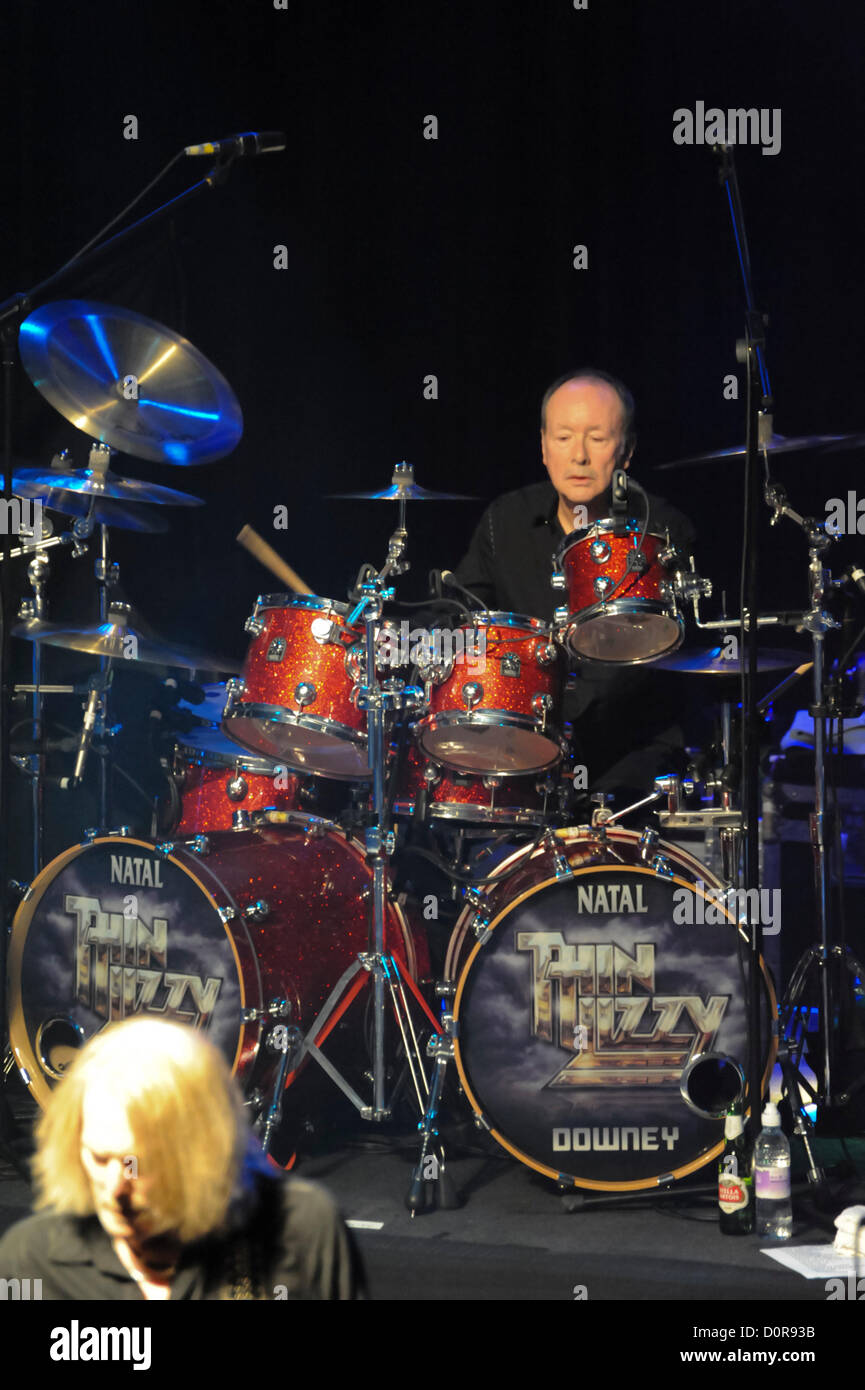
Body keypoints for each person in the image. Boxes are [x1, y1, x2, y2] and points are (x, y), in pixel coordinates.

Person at [454, 369, 699, 803]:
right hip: (518, 752)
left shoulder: (662, 531)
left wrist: (557, 723)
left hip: (629, 761)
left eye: (598, 439)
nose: (579, 456)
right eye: (564, 438)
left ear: (626, 452)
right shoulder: (505, 521)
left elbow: (647, 671)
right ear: (544, 448)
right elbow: (462, 615)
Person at [0, 1017, 363, 1300]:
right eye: (98, 1158)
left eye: (133, 1164)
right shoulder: (31, 1259)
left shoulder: (301, 1230)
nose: (114, 1190)